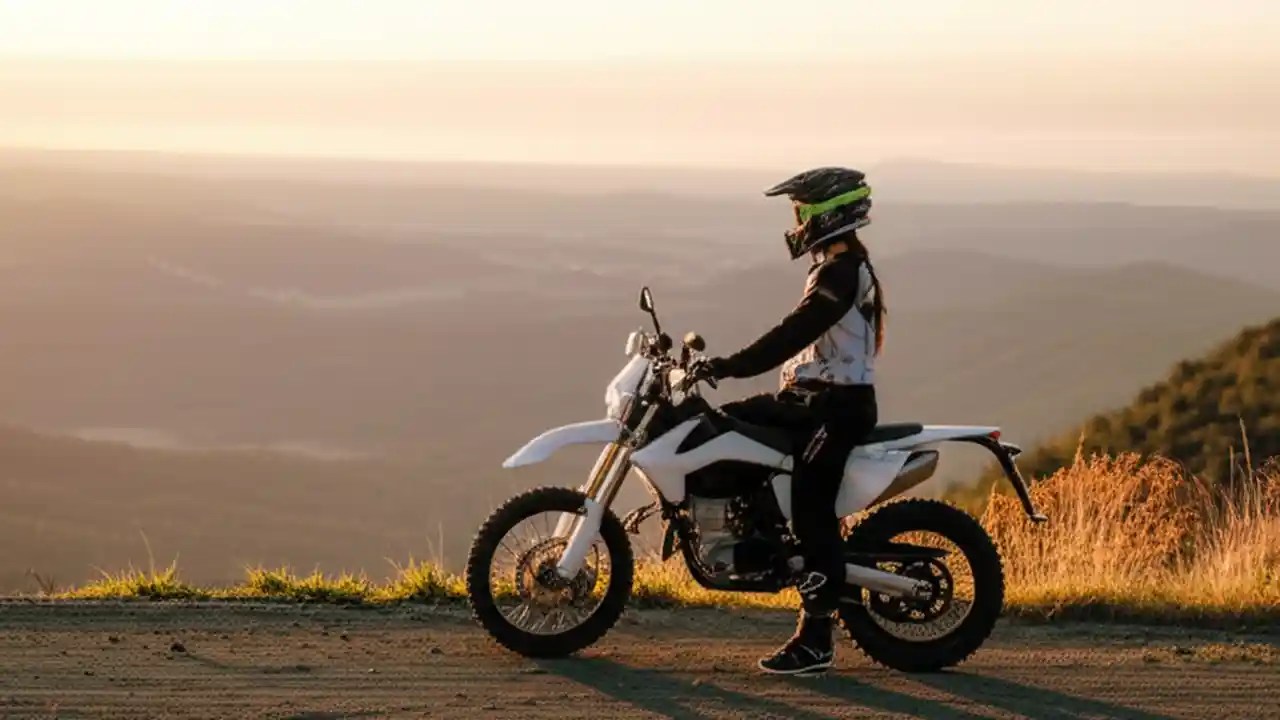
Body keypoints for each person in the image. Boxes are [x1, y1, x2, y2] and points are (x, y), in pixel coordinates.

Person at [698, 166, 885, 675]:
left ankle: (817, 638)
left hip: (837, 409)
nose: (797, 220)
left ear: (830, 213)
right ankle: (755, 529)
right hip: (809, 401)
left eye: (802, 210)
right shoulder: (832, 266)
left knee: (812, 505)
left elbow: (792, 332)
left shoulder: (841, 274)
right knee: (727, 423)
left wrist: (730, 365)